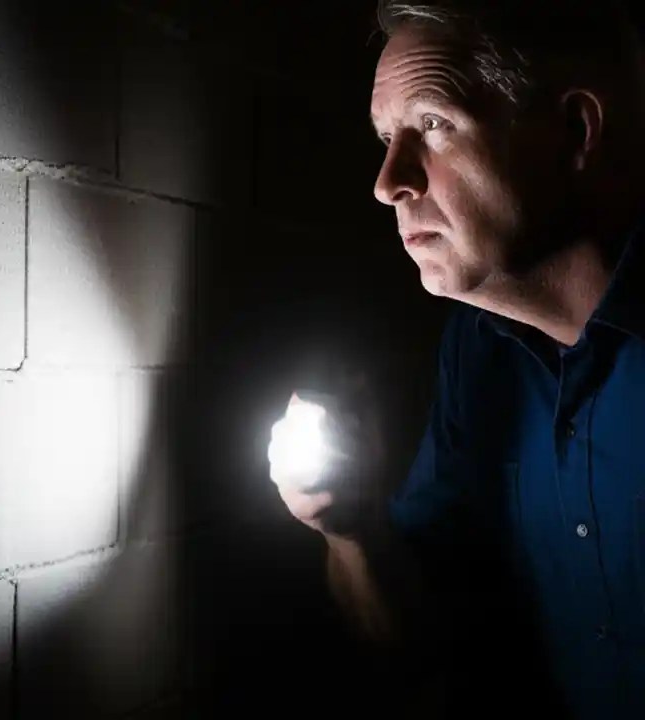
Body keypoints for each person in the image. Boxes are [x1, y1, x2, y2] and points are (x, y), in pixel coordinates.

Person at [268, 2, 645, 718]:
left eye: (434, 124)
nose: (389, 182)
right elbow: (414, 644)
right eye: (385, 138)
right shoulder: (477, 353)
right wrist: (351, 528)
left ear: (575, 130)